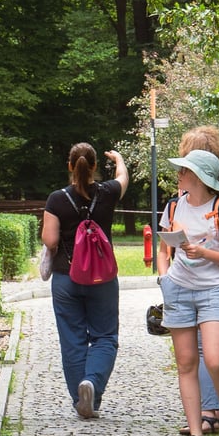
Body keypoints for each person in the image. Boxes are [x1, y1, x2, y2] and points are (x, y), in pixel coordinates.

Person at [157, 149, 219, 436]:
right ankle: (196, 434)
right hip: (178, 289)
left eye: (184, 170)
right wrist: (163, 276)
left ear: (198, 177)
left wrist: (204, 252)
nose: (179, 174)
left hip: (213, 291)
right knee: (186, 363)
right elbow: (162, 247)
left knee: (217, 359)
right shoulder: (173, 207)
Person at [41, 143, 128, 419]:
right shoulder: (108, 193)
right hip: (102, 278)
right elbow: (123, 179)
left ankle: (80, 398)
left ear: (70, 166)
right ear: (94, 167)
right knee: (105, 336)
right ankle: (92, 383)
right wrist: (119, 159)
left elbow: (50, 240)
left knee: (72, 340)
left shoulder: (56, 199)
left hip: (66, 279)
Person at [174, 126, 219, 436]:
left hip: (218, 275)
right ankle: (209, 414)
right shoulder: (217, 185)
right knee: (205, 352)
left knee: (215, 352)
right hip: (190, 279)